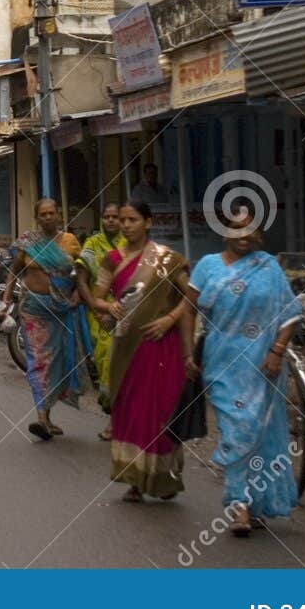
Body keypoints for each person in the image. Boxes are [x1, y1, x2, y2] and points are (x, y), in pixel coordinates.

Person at [188, 207, 302, 537]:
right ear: (225, 232)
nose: (246, 236)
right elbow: (188, 309)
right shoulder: (207, 266)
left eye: (252, 230)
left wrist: (277, 351)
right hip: (221, 364)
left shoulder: (268, 267)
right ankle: (239, 503)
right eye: (238, 229)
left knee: (262, 433)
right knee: (237, 428)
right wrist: (186, 353)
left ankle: (256, 502)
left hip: (263, 366)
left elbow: (290, 314)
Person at [92, 199, 193, 502]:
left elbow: (192, 295)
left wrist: (169, 319)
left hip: (163, 347)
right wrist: (109, 305)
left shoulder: (167, 260)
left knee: (162, 412)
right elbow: (97, 297)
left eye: (132, 220)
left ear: (148, 222)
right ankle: (134, 479)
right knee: (132, 411)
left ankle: (164, 479)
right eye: (122, 220)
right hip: (126, 349)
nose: (126, 225)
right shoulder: (112, 259)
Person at [3, 198, 87, 439]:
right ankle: (41, 417)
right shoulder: (29, 242)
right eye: (44, 214)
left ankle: (48, 416)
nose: (48, 217)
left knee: (59, 362)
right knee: (39, 361)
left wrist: (78, 293)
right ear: (37, 218)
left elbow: (82, 273)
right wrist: (7, 294)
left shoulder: (71, 241)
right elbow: (14, 269)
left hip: (63, 310)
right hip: (34, 309)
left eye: (52, 213)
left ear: (59, 216)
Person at [79, 202, 125, 437]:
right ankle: (110, 407)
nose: (110, 221)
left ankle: (116, 422)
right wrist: (97, 309)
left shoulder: (130, 245)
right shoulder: (92, 244)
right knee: (105, 363)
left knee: (123, 366)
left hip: (128, 313)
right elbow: (82, 280)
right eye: (106, 216)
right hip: (100, 317)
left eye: (115, 217)